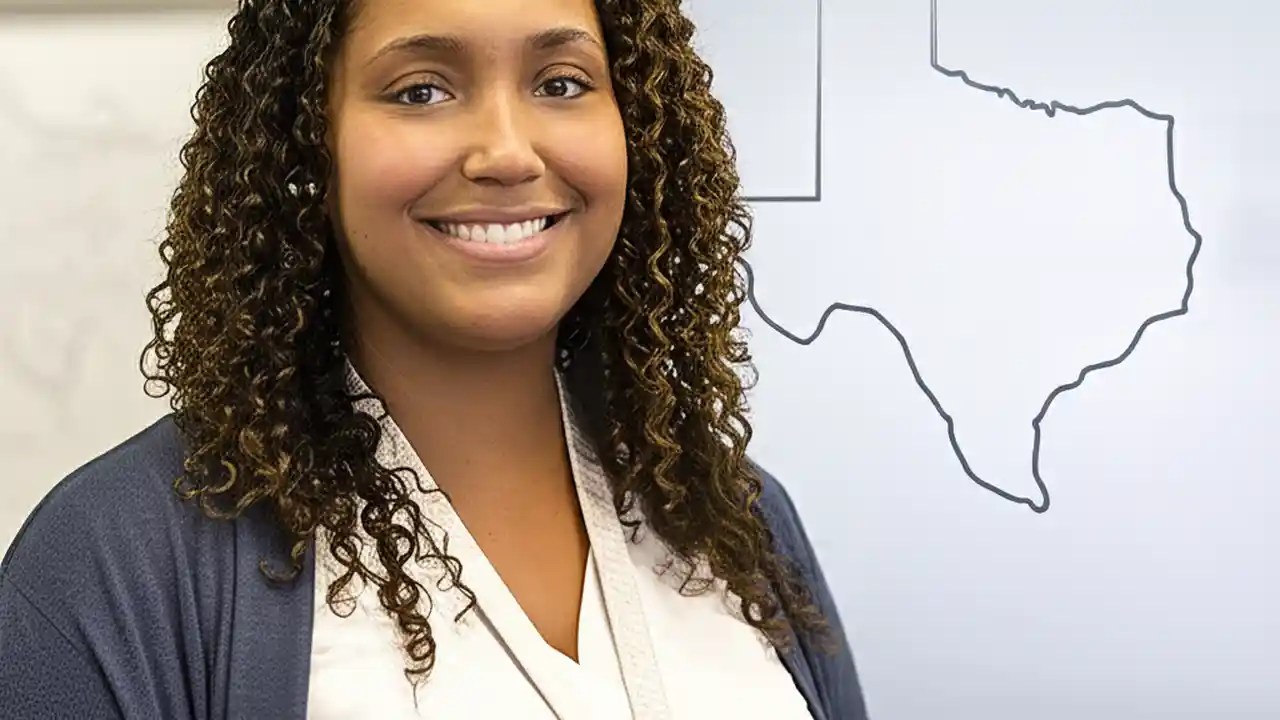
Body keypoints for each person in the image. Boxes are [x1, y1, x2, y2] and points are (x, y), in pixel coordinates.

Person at [0, 0, 868, 717]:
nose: (507, 153)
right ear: (309, 143)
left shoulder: (734, 518)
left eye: (562, 83)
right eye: (420, 91)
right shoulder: (110, 564)